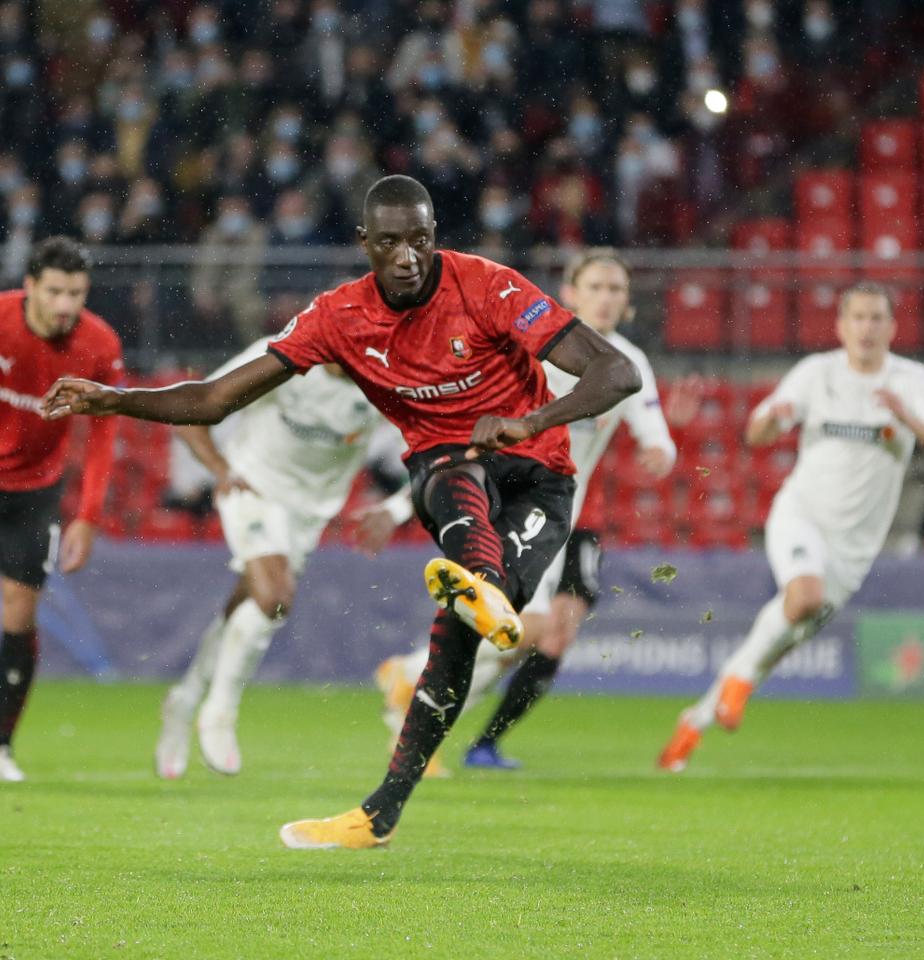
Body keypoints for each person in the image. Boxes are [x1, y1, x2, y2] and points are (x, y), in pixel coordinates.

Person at [43, 175, 641, 848]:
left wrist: (531, 418)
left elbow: (618, 373)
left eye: (420, 239)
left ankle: (389, 794)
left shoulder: (489, 286)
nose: (408, 255)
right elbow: (213, 400)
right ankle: (484, 589)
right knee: (449, 479)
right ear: (366, 245)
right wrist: (113, 398)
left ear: (434, 236)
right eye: (391, 242)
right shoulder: (338, 318)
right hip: (448, 465)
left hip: (542, 478)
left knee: (454, 644)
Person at [371, 248, 683, 772]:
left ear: (627, 303)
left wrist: (661, 452)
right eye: (597, 286)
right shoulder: (536, 351)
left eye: (616, 289)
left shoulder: (627, 363)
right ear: (571, 292)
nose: (606, 298)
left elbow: (658, 435)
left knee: (511, 636)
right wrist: (405, 503)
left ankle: (413, 696)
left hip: (554, 518)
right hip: (503, 503)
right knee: (525, 627)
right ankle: (413, 688)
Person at [658, 282, 924, 771]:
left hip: (855, 548)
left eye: (876, 318)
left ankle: (694, 721)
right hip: (802, 514)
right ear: (841, 327)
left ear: (893, 327)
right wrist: (776, 419)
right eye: (857, 318)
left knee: (784, 638)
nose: (866, 328)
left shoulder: (913, 380)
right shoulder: (815, 373)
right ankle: (732, 690)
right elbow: (756, 432)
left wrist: (907, 416)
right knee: (802, 598)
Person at [153, 338, 405, 779]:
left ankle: (184, 700)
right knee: (274, 596)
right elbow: (193, 409)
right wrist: (220, 470)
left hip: (308, 513)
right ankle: (219, 712)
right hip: (253, 487)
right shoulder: (282, 357)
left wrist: (397, 507)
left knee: (251, 601)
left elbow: (444, 442)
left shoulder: (387, 378)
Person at [0, 237, 123, 782]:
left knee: (18, 616)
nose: (65, 305)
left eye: (75, 292)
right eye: (54, 291)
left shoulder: (99, 343)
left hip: (34, 495)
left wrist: (89, 514)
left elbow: (102, 434)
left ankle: (1, 745)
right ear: (29, 286)